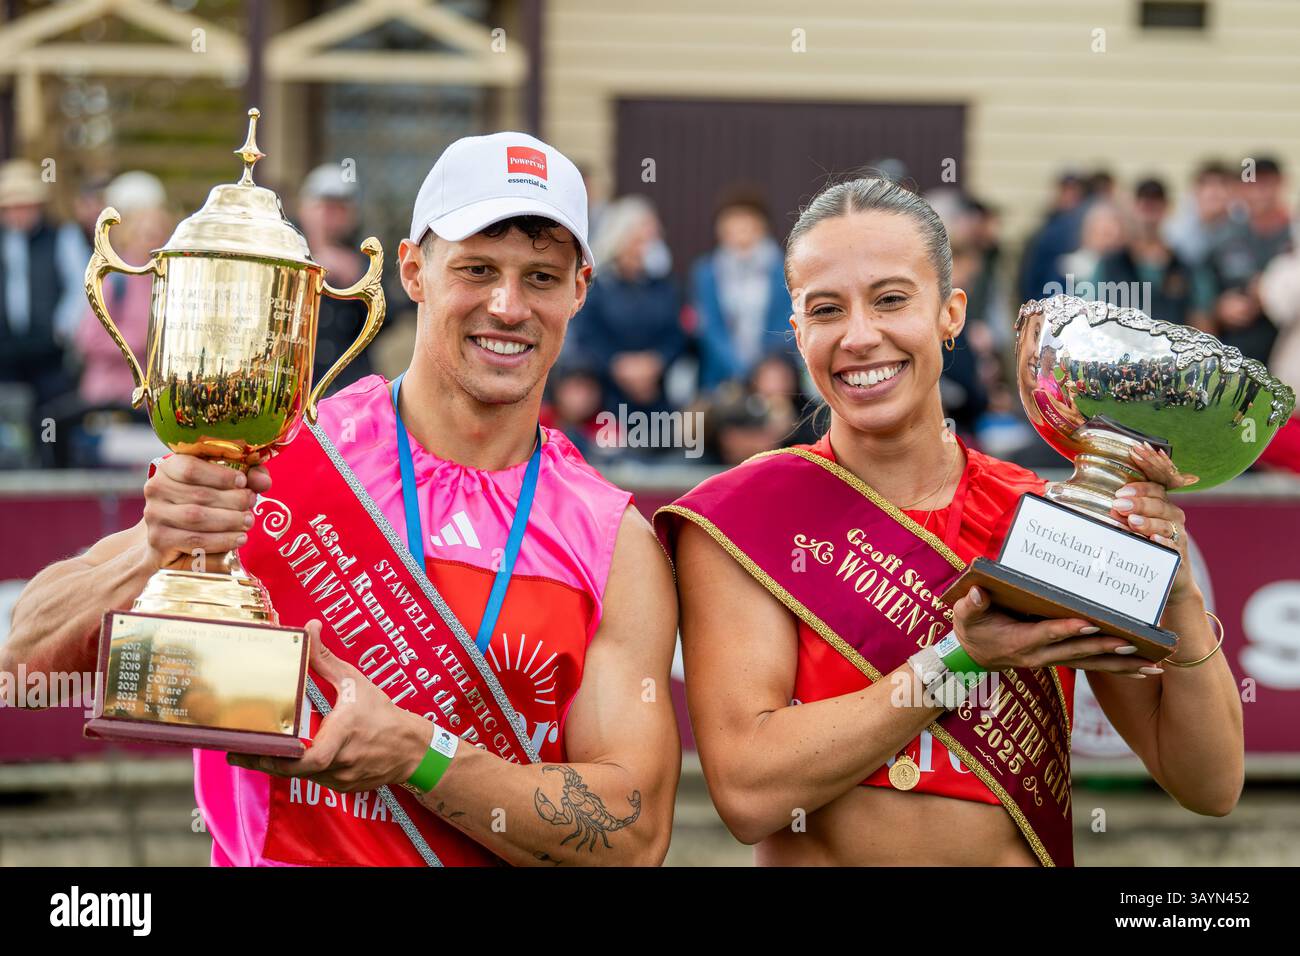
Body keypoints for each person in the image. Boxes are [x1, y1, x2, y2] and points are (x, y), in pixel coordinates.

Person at [5, 132, 681, 867]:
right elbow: (23, 668)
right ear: (413, 270)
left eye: (542, 278)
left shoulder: (612, 541)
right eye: (477, 269)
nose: (507, 305)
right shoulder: (280, 453)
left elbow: (634, 837)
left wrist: (422, 755)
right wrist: (154, 546)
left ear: (580, 289)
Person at [656, 178, 1243, 866]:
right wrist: (960, 660)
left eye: (891, 299)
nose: (860, 336)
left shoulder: (1042, 518)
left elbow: (1209, 786)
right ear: (798, 332)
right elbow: (749, 791)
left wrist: (1179, 592)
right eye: (826, 309)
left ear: (950, 313)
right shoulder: (747, 516)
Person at [566, 195, 686, 422]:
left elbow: (676, 334)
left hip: (656, 398)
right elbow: (587, 335)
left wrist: (655, 363)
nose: (644, 249)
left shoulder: (664, 287)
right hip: (605, 399)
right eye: (637, 241)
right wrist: (618, 366)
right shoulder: (597, 286)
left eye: (650, 240)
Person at [0, 158, 90, 454]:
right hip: (5, 350)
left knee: (53, 417)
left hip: (49, 350)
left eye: (24, 205)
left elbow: (80, 286)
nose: (18, 213)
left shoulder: (62, 236)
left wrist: (62, 328)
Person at [691, 190, 794, 391]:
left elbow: (786, 321)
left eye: (747, 220)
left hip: (773, 379)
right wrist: (741, 369)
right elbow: (709, 327)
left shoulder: (783, 269)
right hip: (720, 379)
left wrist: (765, 368)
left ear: (762, 225)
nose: (740, 228)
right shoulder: (707, 272)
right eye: (732, 221)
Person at [296, 163, 375, 392]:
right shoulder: (285, 249)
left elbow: (389, 315)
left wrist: (360, 279)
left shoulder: (364, 258)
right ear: (304, 209)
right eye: (324, 206)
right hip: (298, 382)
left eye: (340, 208)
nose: (330, 217)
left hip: (348, 387)